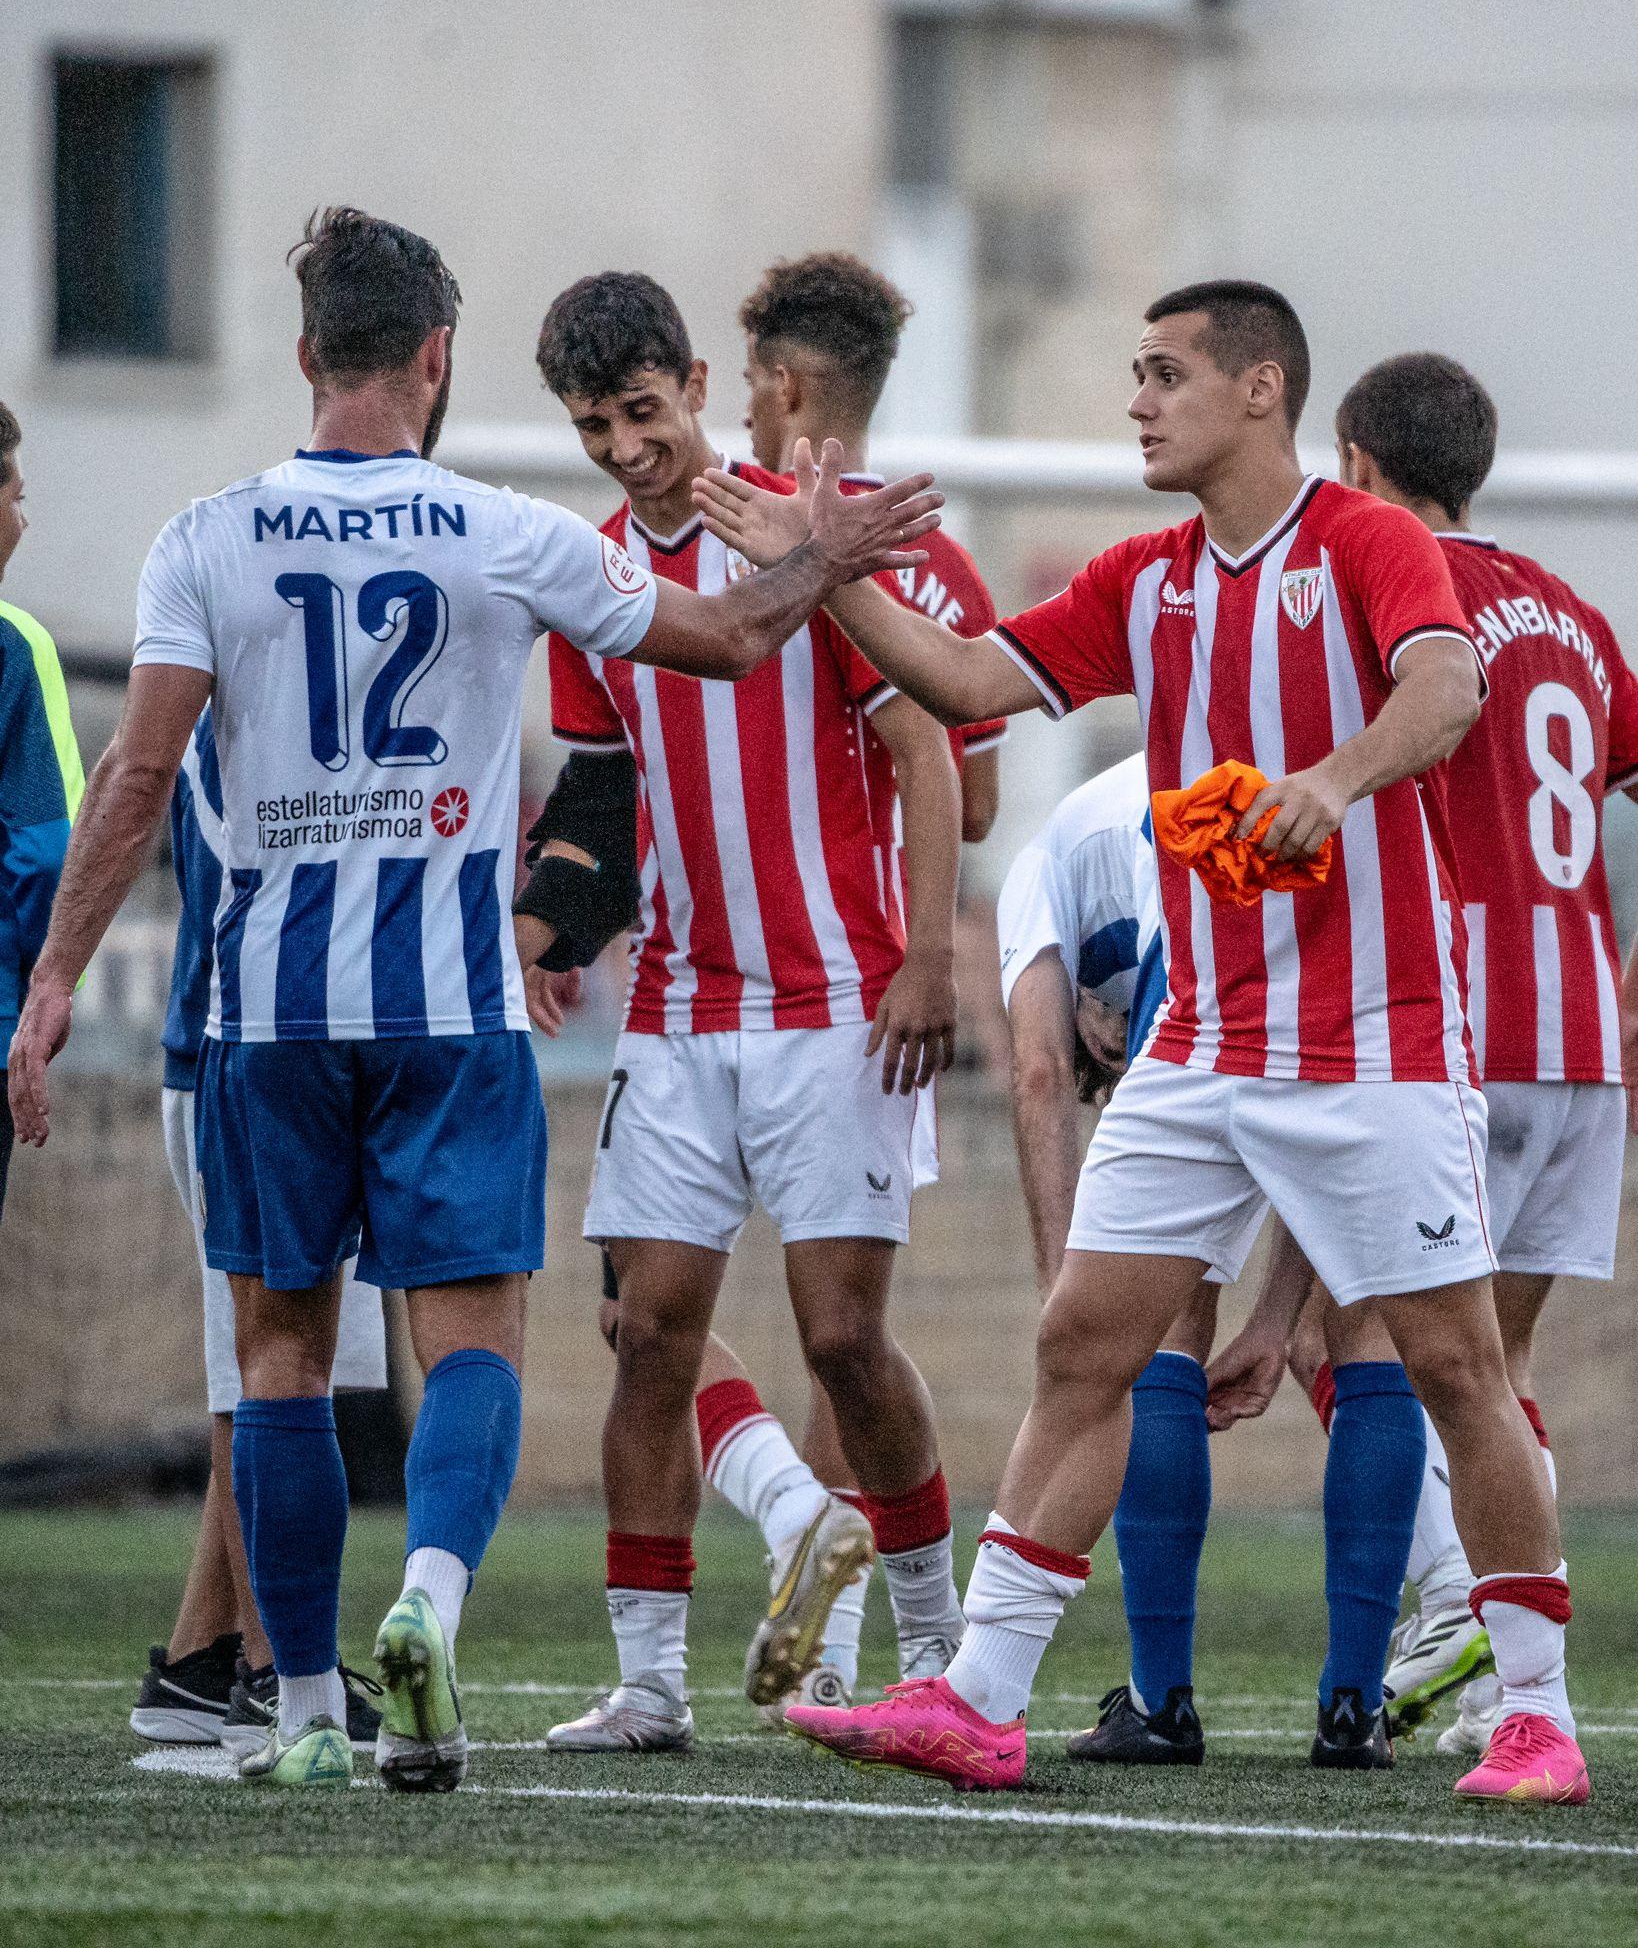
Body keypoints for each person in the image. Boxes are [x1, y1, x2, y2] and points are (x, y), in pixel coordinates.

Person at [7, 207, 941, 1793]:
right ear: (436, 358)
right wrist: (826, 557)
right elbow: (725, 637)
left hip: (264, 1018)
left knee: (281, 1358)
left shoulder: (204, 537)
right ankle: (430, 1603)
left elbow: (137, 776)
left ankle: (306, 1713)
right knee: (476, 1344)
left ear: (306, 354)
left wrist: (50, 984)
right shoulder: (503, 531)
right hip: (450, 1008)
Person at [699, 278, 1589, 1808]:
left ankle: (1536, 1717)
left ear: (1259, 388)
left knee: (1454, 1366)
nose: (1135, 402)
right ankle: (980, 1700)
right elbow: (966, 680)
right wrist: (822, 569)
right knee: (1080, 1346)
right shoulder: (1145, 580)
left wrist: (1332, 780)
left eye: (1162, 374)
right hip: (1201, 1045)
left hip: (1373, 1044)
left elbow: (1446, 686)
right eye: (1134, 375)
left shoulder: (1368, 541)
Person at [556, 254, 1010, 1724]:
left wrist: (927, 956)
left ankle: (935, 1648)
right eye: (594, 426)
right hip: (677, 1007)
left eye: (643, 411)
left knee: (841, 1341)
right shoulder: (586, 573)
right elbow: (602, 791)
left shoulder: (807, 533)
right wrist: (548, 921)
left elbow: (931, 755)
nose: (627, 447)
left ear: (701, 387)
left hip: (835, 1002)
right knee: (644, 1332)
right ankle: (648, 1685)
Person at [1331, 352, 1638, 1754]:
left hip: (1456, 1025)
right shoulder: (1569, 611)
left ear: (1356, 464)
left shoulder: (1388, 589)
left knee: (1352, 1342)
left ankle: (1457, 1598)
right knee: (1493, 1367)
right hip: (1579, 1034)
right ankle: (1508, 1681)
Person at [1000, 756, 1423, 1771]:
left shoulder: (1036, 867)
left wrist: (1070, 1286)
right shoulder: (1220, 762)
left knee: (1162, 1325)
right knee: (1367, 1316)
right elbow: (1309, 1153)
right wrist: (1278, 1317)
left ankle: (1161, 1700)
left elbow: (1041, 1069)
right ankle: (1353, 1707)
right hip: (1339, 931)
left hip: (1206, 944)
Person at [130, 706, 388, 1754]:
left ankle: (202, 1661)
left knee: (265, 1377)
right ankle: (281, 1667)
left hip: (260, 1053)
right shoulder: (240, 712)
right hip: (253, 1054)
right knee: (273, 1374)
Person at [0, 400, 83, 1228]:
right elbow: (43, 850)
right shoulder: (13, 648)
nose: (23, 521)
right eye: (16, 496)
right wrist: (52, 980)